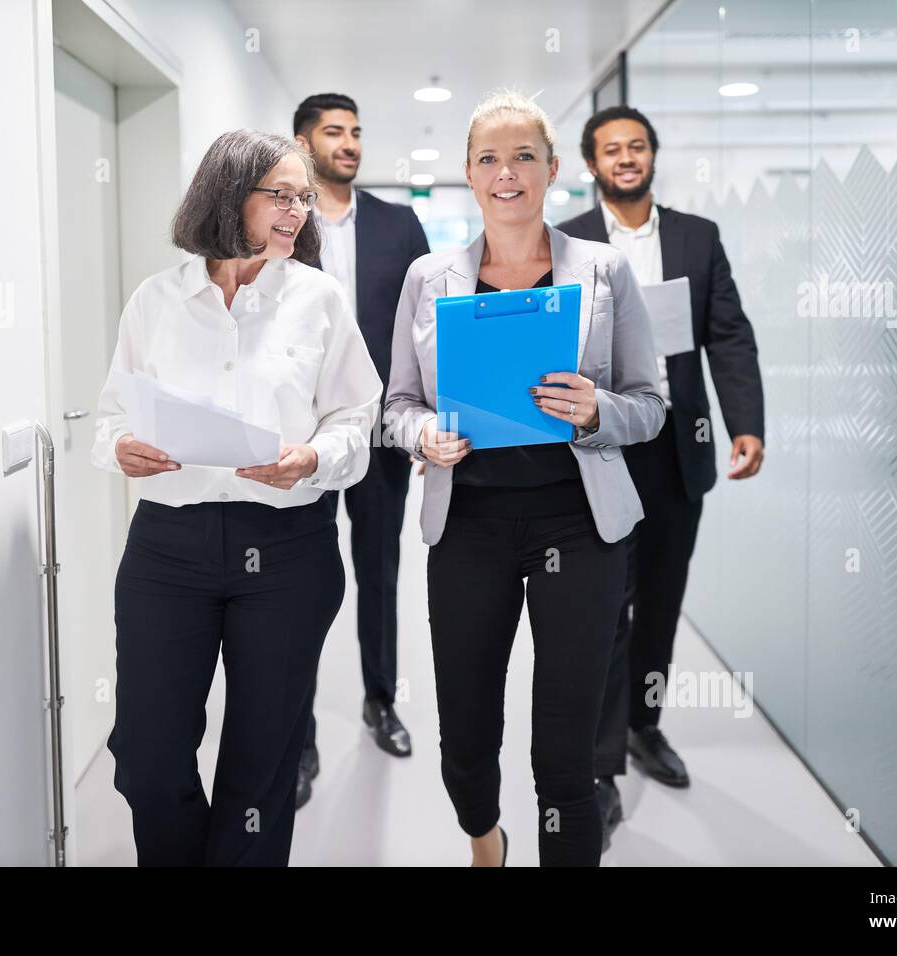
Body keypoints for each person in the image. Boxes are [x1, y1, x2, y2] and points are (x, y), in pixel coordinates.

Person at [384, 90, 666, 866]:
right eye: (488, 158)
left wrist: (595, 410)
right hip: (468, 528)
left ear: (550, 170)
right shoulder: (427, 278)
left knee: (567, 753)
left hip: (580, 528)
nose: (505, 172)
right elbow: (396, 406)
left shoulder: (602, 272)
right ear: (469, 175)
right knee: (467, 735)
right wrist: (424, 436)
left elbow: (652, 405)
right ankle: (486, 838)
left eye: (522, 157)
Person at [90, 128, 381, 866]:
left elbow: (357, 415)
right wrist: (120, 447)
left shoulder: (318, 299)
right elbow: (111, 416)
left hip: (286, 552)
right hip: (167, 550)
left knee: (261, 769)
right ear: (227, 194)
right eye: (280, 195)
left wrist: (313, 457)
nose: (297, 212)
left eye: (304, 198)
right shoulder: (156, 300)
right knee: (148, 760)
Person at [557, 106, 765, 843]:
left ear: (651, 156)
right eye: (611, 149)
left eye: (636, 146)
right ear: (591, 163)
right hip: (602, 447)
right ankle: (599, 764)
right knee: (606, 605)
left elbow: (728, 334)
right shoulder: (568, 242)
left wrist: (745, 422)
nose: (625, 158)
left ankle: (646, 727)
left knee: (662, 603)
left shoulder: (695, 237)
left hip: (678, 447)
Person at [290, 93, 431, 807]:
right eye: (333, 132)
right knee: (305, 587)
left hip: (378, 431)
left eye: (355, 132)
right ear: (302, 141)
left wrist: (422, 419)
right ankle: (300, 735)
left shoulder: (400, 224)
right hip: (303, 438)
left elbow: (425, 328)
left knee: (378, 571)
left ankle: (381, 701)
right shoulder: (280, 218)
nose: (348, 143)